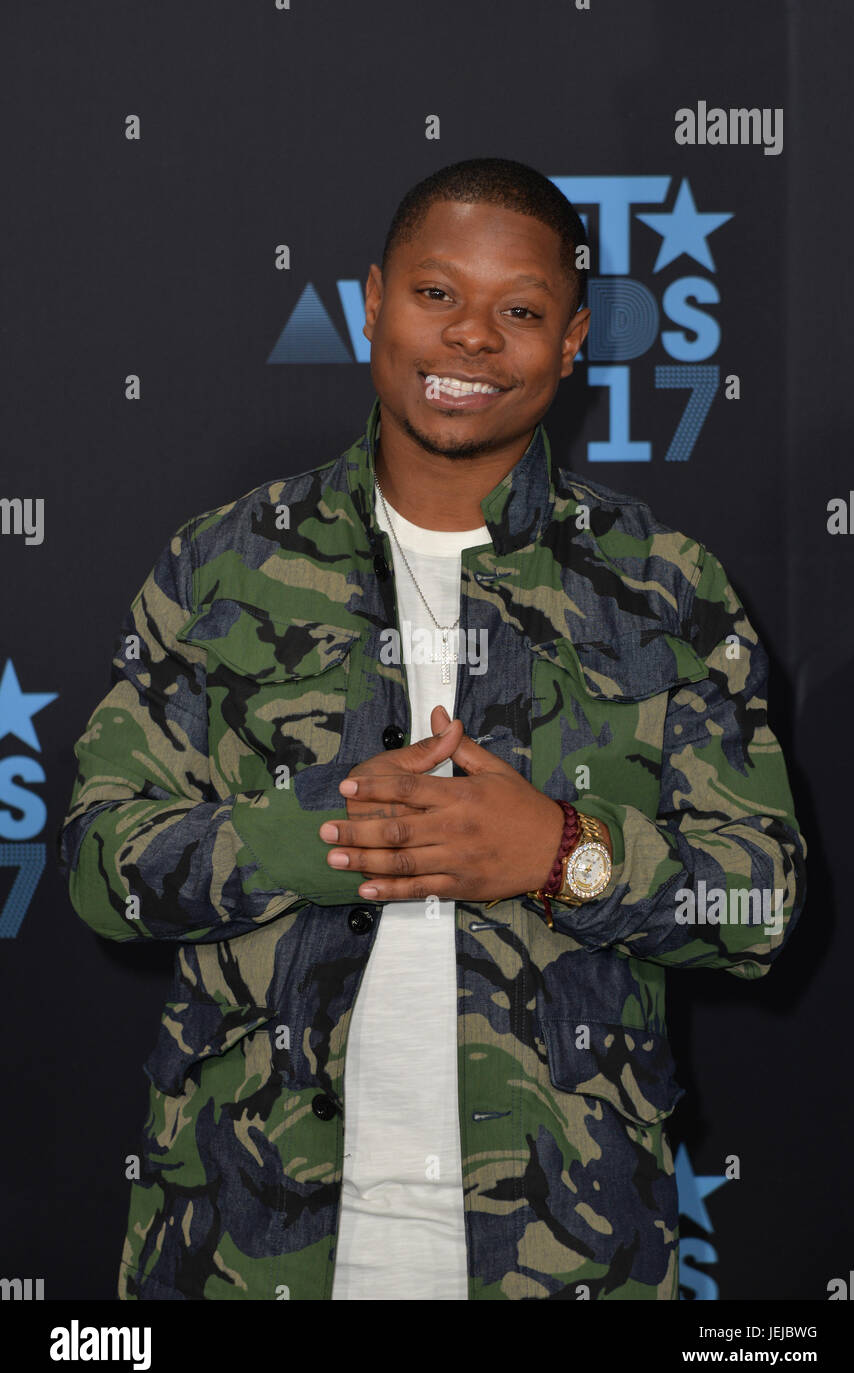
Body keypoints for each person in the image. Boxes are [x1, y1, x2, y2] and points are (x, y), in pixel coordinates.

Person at [57, 156, 807, 1301]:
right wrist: (306, 838)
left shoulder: (668, 587)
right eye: (436, 295)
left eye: (520, 311)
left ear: (571, 342)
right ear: (371, 303)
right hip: (242, 1248)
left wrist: (564, 853)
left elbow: (761, 906)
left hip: (567, 1258)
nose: (471, 339)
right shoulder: (223, 564)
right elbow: (99, 868)